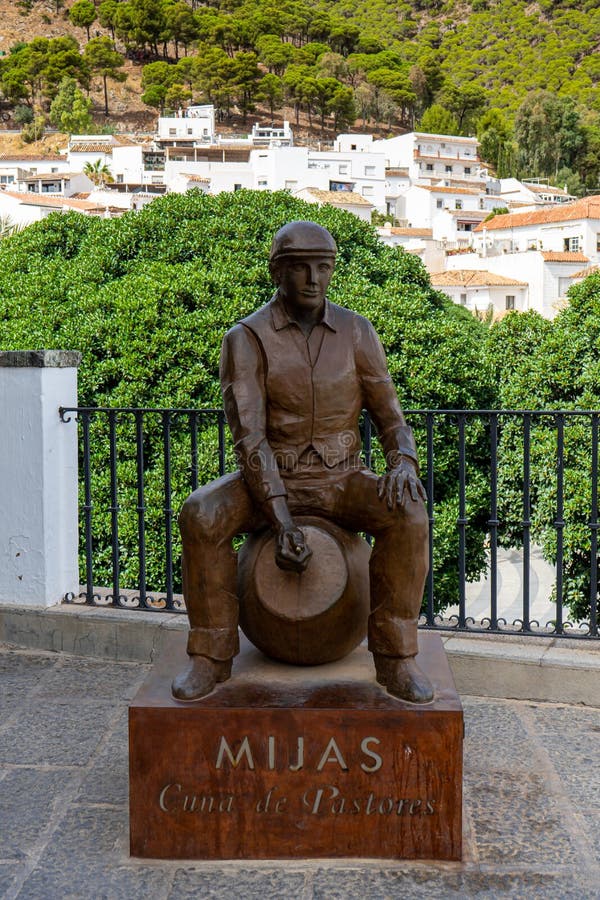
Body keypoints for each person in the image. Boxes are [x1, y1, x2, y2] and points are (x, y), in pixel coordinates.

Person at [172, 221, 433, 703]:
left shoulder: (357, 331)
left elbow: (390, 415)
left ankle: (397, 659)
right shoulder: (246, 338)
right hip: (272, 479)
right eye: (300, 268)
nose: (314, 278)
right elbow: (249, 437)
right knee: (201, 514)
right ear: (277, 272)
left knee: (410, 514)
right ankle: (210, 656)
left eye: (323, 267)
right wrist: (280, 517)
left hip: (342, 478)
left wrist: (404, 463)